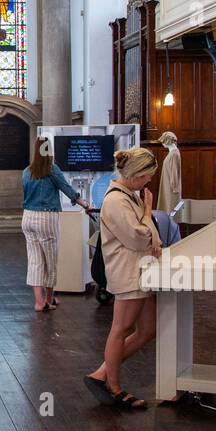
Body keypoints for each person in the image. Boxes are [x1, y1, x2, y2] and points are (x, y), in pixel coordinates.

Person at [85, 147, 162, 409]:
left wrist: (146, 217)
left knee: (148, 330)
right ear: (135, 174)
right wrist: (148, 213)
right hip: (129, 271)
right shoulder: (116, 201)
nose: (149, 181)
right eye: (147, 176)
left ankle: (102, 373)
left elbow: (145, 233)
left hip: (141, 270)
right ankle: (114, 387)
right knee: (121, 329)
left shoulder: (130, 196)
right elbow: (139, 236)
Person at [21, 137, 90, 311]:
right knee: (50, 261)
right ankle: (49, 299)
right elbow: (68, 190)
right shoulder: (52, 170)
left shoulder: (26, 171)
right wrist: (86, 205)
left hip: (28, 217)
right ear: (49, 150)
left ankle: (38, 302)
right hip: (46, 218)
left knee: (35, 260)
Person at [157, 132, 181, 213]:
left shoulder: (174, 154)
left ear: (167, 141)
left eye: (163, 141)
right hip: (168, 185)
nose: (162, 143)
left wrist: (174, 187)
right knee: (168, 209)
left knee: (170, 209)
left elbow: (174, 172)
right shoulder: (173, 153)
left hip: (170, 188)